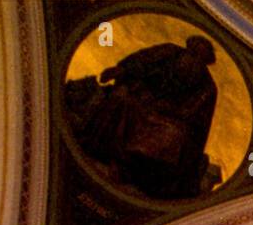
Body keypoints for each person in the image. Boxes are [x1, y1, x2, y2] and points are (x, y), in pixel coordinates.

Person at [65, 35, 220, 199]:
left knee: (171, 135)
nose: (192, 58)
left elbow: (192, 115)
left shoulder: (207, 87)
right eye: (193, 52)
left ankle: (127, 172)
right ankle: (101, 152)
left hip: (170, 118)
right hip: (140, 98)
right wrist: (123, 70)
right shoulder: (168, 51)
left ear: (205, 62)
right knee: (121, 99)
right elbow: (141, 61)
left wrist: (165, 109)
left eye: (198, 56)